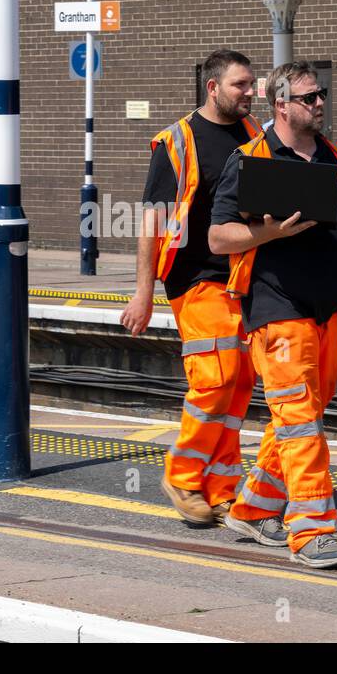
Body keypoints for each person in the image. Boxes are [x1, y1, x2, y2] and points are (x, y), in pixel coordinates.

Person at [208, 60, 337, 569]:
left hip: (330, 306)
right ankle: (312, 531)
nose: (320, 104)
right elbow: (217, 237)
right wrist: (267, 234)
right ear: (281, 105)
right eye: (310, 97)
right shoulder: (250, 158)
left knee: (304, 417)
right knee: (298, 418)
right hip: (277, 307)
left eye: (321, 96)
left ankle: (252, 510)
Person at [120, 49, 262, 526]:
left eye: (251, 84)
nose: (250, 92)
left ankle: (220, 487)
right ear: (213, 87)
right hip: (194, 278)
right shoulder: (176, 142)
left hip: (241, 276)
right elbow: (152, 221)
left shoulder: (252, 134)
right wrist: (143, 292)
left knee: (240, 381)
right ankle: (182, 475)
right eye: (241, 84)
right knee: (215, 377)